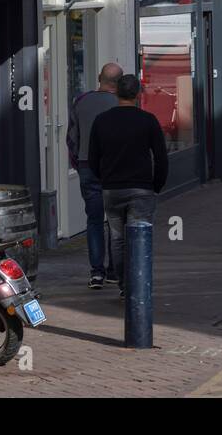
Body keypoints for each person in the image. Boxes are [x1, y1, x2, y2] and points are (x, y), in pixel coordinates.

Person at [87, 74, 169, 298]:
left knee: (118, 239)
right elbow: (161, 157)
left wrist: (105, 178)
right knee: (140, 238)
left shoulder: (102, 120)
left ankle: (124, 285)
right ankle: (138, 283)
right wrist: (157, 185)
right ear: (138, 94)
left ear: (116, 92)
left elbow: (92, 158)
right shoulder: (148, 120)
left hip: (112, 189)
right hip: (141, 189)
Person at [66, 63, 122, 288]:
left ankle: (96, 273)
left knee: (94, 220)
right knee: (116, 221)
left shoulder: (81, 101)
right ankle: (113, 271)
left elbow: (71, 138)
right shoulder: (121, 104)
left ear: (99, 77)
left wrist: (79, 163)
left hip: (87, 165)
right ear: (118, 83)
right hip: (113, 167)